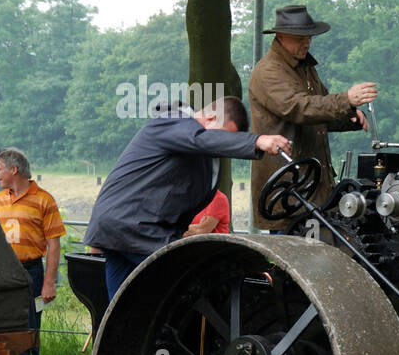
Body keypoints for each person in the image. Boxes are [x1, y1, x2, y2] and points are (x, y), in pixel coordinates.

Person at [84, 97, 291, 299]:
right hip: (132, 227)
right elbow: (201, 139)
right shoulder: (174, 121)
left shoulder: (202, 162)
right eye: (224, 138)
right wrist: (257, 140)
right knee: (189, 280)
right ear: (210, 118)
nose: (223, 146)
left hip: (123, 228)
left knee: (124, 311)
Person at [249, 4, 374, 230]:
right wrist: (346, 99)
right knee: (289, 262)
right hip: (287, 190)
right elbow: (298, 108)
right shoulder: (268, 71)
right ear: (280, 37)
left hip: (312, 189)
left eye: (309, 37)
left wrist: (350, 116)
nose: (306, 42)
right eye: (299, 38)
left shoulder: (305, 67)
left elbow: (321, 111)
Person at [0, 148, 65, 355]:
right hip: (1, 274)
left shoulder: (44, 199)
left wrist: (49, 283)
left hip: (31, 272)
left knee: (29, 333)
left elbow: (54, 245)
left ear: (14, 170)